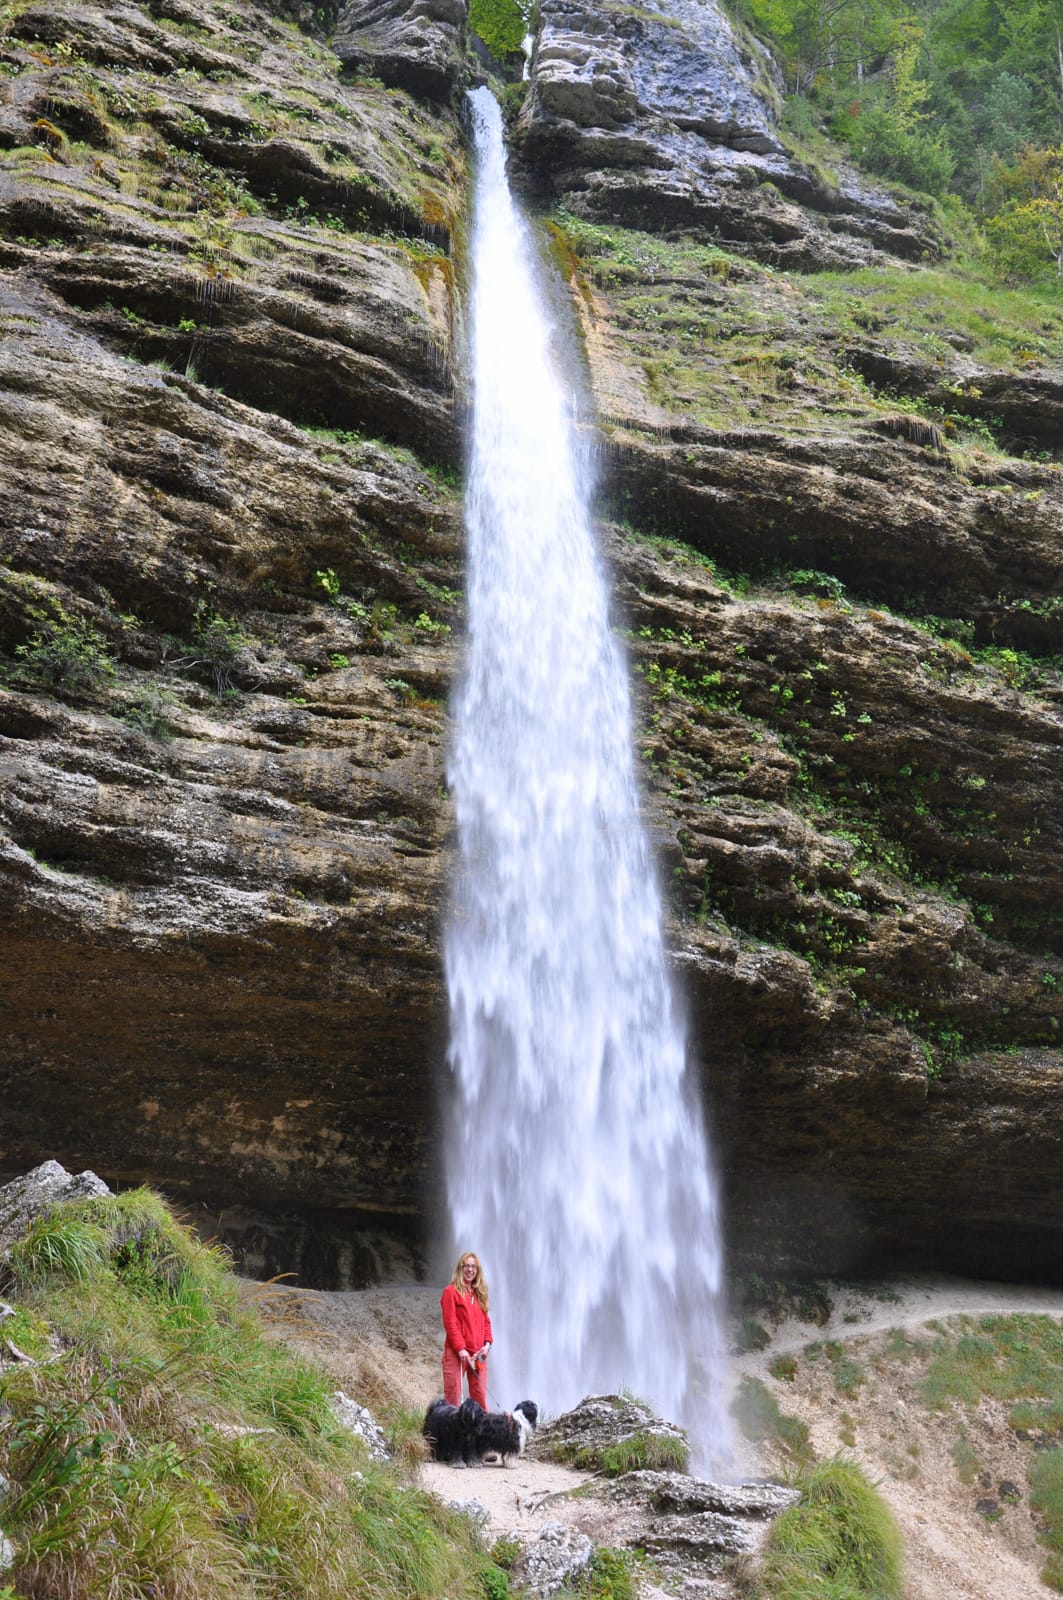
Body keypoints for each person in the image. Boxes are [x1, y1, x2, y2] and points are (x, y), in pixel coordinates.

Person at [440, 1250, 492, 1409]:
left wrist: (487, 1345)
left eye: (473, 1267)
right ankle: (449, 1432)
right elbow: (450, 1323)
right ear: (460, 1269)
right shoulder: (450, 1292)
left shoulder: (479, 1294)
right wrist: (461, 1349)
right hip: (456, 1353)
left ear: (477, 1271)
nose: (470, 1270)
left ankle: (482, 1432)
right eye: (466, 1266)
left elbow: (486, 1323)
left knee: (480, 1395)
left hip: (478, 1355)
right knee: (453, 1396)